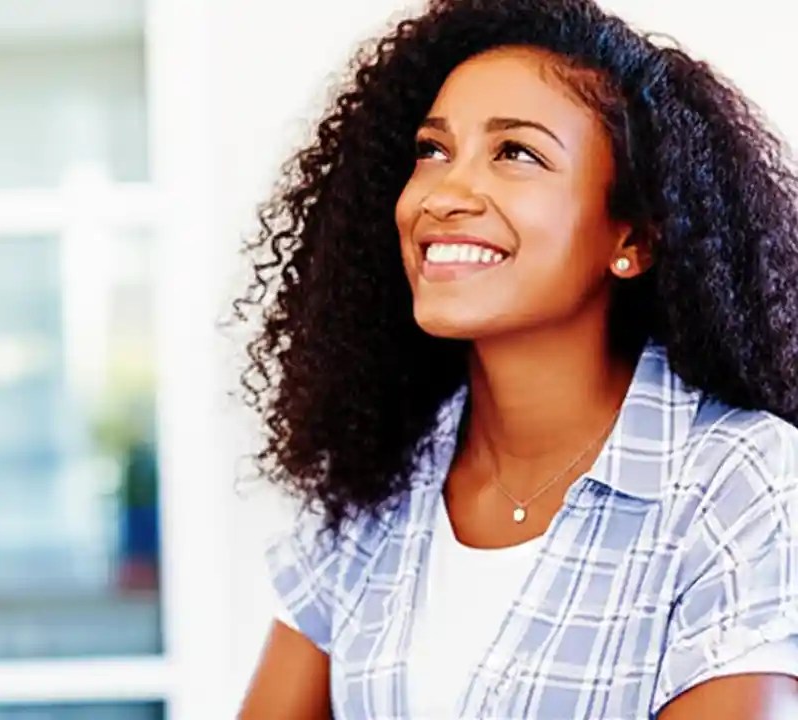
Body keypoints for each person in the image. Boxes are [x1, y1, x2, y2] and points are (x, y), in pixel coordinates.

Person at [233, 0, 798, 717]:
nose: (444, 194)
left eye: (516, 154)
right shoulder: (377, 481)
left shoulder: (743, 485)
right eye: (432, 151)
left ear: (634, 239)